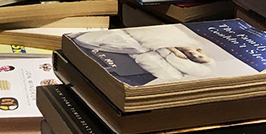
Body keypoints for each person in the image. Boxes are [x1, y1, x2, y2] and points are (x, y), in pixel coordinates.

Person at [72, 28, 216, 85]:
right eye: (200, 55)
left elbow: (159, 46)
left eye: (194, 58)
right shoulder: (189, 42)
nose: (194, 54)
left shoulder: (172, 56)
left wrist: (173, 52)